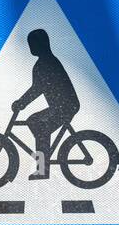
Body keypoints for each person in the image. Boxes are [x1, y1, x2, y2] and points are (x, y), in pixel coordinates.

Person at [11, 28, 80, 180]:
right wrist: (22, 103)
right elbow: (37, 88)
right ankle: (44, 157)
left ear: (43, 44)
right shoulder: (43, 63)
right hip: (60, 105)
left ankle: (42, 169)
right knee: (33, 121)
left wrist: (21, 103)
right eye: (30, 44)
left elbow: (37, 89)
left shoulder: (46, 63)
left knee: (40, 128)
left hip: (66, 106)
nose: (31, 47)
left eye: (33, 44)